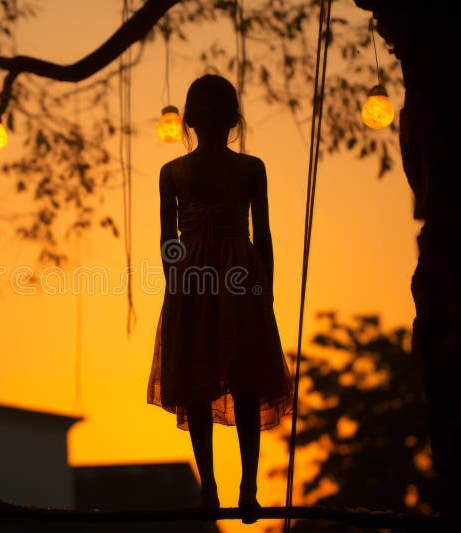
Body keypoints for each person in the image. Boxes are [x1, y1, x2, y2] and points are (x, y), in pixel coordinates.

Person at [147, 74, 293, 521]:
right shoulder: (248, 168)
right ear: (233, 118)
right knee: (238, 382)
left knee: (204, 380)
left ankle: (216, 488)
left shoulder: (177, 173)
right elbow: (262, 236)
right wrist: (265, 288)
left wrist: (178, 280)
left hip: (197, 279)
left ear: (190, 119)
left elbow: (167, 241)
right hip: (235, 277)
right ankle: (241, 486)